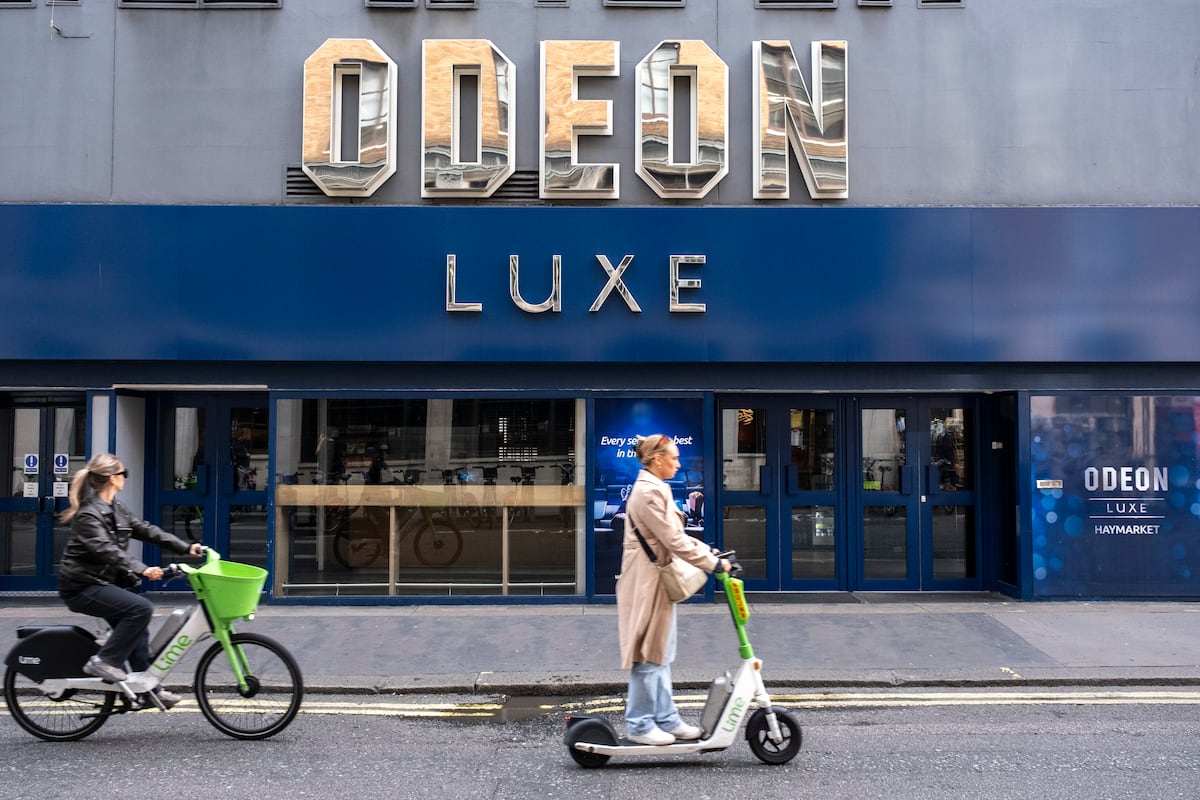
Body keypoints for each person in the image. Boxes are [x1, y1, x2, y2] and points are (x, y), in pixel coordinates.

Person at [57, 453, 204, 708]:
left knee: (137, 627)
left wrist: (186, 547)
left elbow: (147, 530)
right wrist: (143, 569)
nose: (125, 478)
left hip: (102, 583)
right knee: (140, 608)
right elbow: (106, 550)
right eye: (123, 473)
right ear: (113, 478)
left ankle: (148, 690)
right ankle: (104, 661)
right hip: (81, 586)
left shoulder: (116, 507)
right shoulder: (88, 515)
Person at [617, 433, 731, 746]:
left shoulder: (657, 487)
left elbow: (675, 534)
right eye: (674, 458)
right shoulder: (648, 492)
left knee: (660, 654)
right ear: (657, 459)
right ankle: (639, 725)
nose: (678, 463)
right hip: (646, 581)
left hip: (656, 578)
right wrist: (712, 563)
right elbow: (673, 540)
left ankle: (667, 719)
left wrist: (710, 552)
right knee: (649, 655)